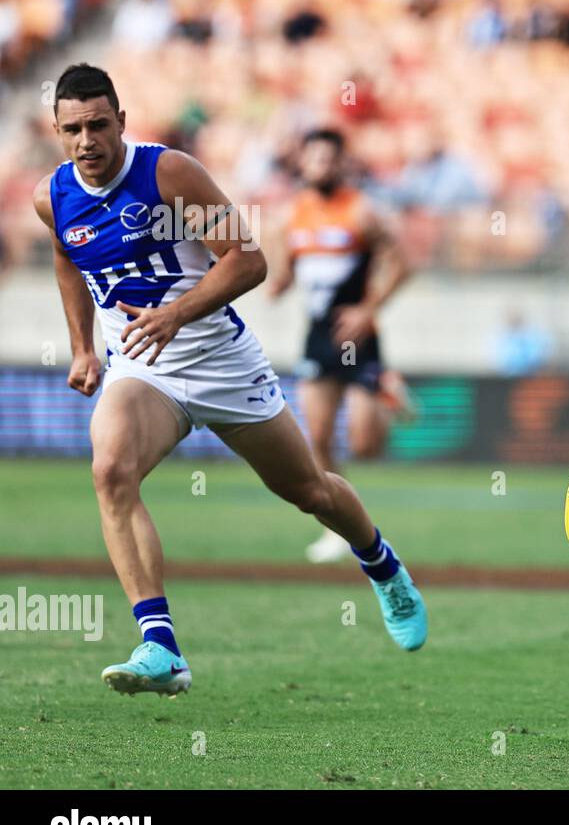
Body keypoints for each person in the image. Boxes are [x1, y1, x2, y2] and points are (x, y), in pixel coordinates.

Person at [33, 64, 428, 697]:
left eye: (98, 125)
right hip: (143, 368)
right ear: (57, 131)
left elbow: (249, 261)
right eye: (73, 129)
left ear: (121, 122)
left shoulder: (167, 174)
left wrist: (175, 313)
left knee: (310, 490)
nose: (87, 141)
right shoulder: (50, 196)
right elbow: (65, 257)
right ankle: (160, 647)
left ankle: (383, 566)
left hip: (222, 362)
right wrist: (83, 346)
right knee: (110, 470)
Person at [267, 128, 413, 563]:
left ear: (341, 164)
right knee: (319, 436)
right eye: (313, 160)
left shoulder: (364, 212)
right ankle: (338, 529)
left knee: (366, 444)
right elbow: (287, 273)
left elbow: (403, 264)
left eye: (329, 160)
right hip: (317, 337)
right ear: (303, 164)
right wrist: (276, 284)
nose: (321, 167)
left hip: (359, 337)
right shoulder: (291, 215)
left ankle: (386, 389)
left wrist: (369, 309)